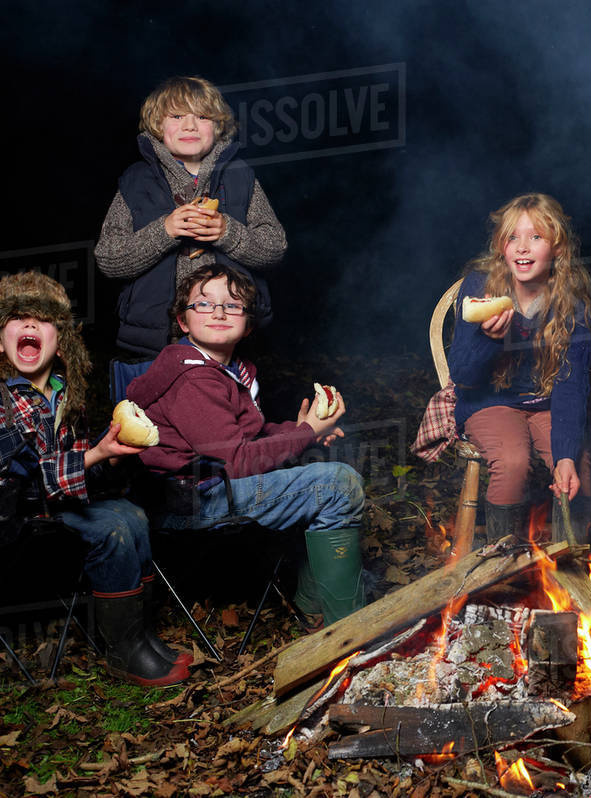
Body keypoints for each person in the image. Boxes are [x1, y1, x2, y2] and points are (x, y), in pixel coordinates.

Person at [126, 265, 364, 625]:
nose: (219, 312)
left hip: (209, 483)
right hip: (189, 498)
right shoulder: (192, 377)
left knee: (332, 483)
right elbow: (234, 461)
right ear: (183, 321)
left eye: (233, 305)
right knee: (337, 485)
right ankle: (348, 629)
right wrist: (305, 435)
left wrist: (300, 430)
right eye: (204, 304)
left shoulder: (231, 370)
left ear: (248, 324)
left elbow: (243, 435)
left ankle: (315, 609)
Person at [0, 271, 189, 686]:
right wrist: (93, 456)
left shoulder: (66, 394)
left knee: (130, 513)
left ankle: (138, 635)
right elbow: (18, 487)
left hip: (55, 508)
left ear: (61, 341)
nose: (30, 325)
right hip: (14, 523)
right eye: (17, 317)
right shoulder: (3, 402)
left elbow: (77, 469)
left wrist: (109, 456)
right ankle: (123, 654)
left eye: (43, 319)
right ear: (0, 339)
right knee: (110, 527)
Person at [448, 193, 591, 543]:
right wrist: (489, 340)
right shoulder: (479, 288)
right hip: (489, 401)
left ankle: (570, 577)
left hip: (547, 402)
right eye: (512, 237)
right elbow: (461, 375)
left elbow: (571, 386)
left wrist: (565, 455)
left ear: (558, 248)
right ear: (500, 247)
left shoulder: (571, 304)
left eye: (535, 237)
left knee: (573, 467)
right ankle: (501, 570)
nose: (522, 247)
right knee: (512, 460)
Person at [95, 75, 286, 357]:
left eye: (202, 116)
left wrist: (227, 233)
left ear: (218, 126)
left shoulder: (240, 176)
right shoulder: (137, 182)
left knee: (229, 402)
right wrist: (165, 231)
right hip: (157, 342)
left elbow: (274, 247)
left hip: (229, 341)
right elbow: (108, 259)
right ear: (158, 125)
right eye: (176, 115)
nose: (189, 125)